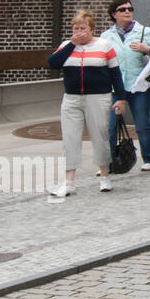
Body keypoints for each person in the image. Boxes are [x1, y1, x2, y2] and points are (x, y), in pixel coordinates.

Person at [47, 10, 129, 196]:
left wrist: (121, 98)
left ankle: (105, 176)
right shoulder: (67, 45)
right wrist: (72, 45)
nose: (79, 32)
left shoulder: (104, 46)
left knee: (99, 135)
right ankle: (68, 182)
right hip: (72, 97)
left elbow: (115, 73)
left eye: (83, 28)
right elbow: (53, 63)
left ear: (91, 29)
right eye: (76, 28)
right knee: (70, 138)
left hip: (98, 97)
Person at [103, 0, 150, 170]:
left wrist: (147, 49)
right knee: (110, 126)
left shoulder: (144, 31)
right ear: (114, 14)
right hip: (114, 87)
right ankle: (108, 162)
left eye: (130, 9)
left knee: (142, 123)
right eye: (122, 9)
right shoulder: (106, 36)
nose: (127, 12)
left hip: (138, 86)